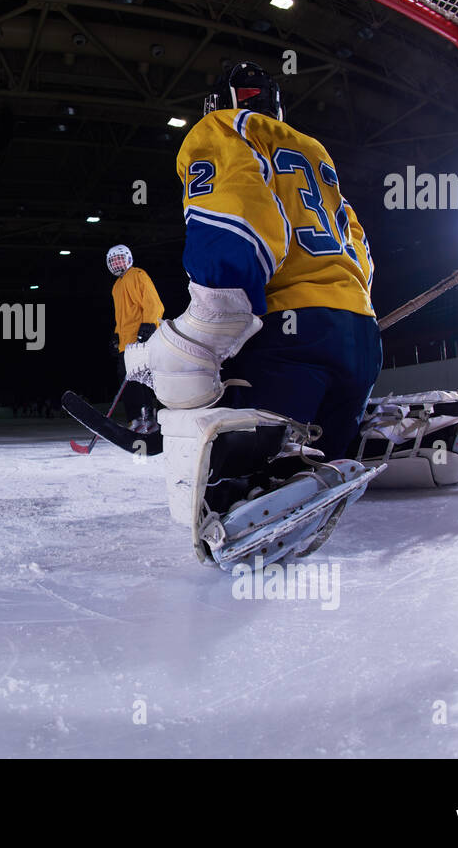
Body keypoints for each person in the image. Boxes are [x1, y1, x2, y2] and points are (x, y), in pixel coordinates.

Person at [126, 62, 381, 567]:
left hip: (290, 339)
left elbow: (237, 215)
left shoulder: (223, 127)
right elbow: (359, 247)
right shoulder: (316, 152)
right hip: (361, 333)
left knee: (234, 472)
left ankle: (247, 490)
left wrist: (208, 321)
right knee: (321, 459)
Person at [105, 244, 163, 432]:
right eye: (113, 261)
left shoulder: (137, 275)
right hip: (126, 342)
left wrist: (149, 324)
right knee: (127, 381)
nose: (117, 263)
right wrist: (116, 335)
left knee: (141, 379)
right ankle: (135, 418)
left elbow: (153, 302)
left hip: (139, 340)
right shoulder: (117, 286)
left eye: (120, 259)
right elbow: (121, 316)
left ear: (128, 259)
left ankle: (148, 417)